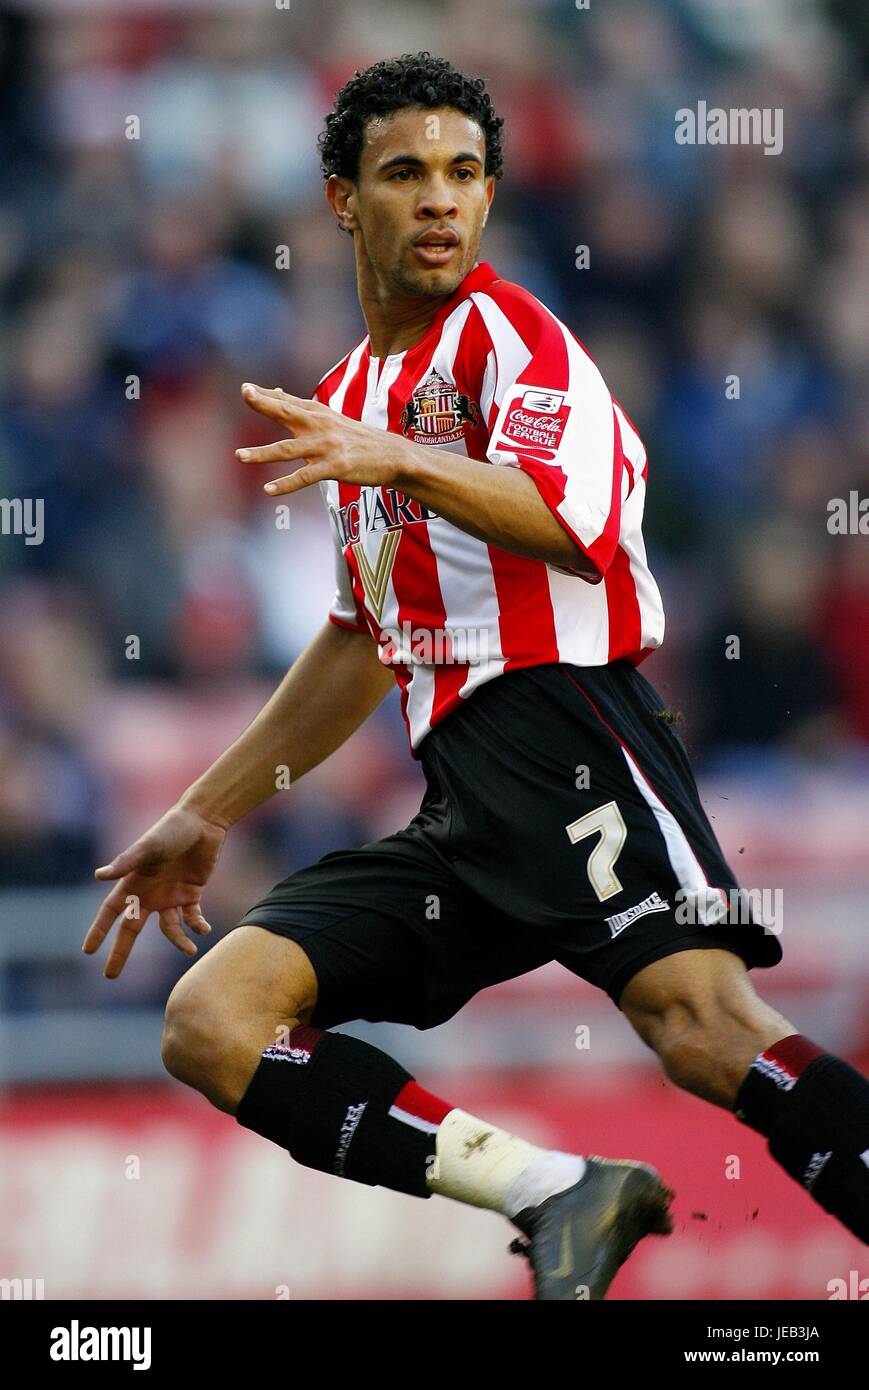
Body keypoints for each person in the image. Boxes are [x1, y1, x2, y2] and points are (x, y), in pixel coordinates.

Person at [83, 53, 868, 1300]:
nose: (440, 198)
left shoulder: (508, 337)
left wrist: (393, 459)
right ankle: (553, 1190)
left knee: (703, 1032)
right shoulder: (351, 399)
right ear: (344, 200)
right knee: (213, 1018)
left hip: (571, 729)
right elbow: (358, 638)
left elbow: (577, 518)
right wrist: (207, 808)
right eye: (405, 173)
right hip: (459, 798)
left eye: (463, 173)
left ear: (492, 196)